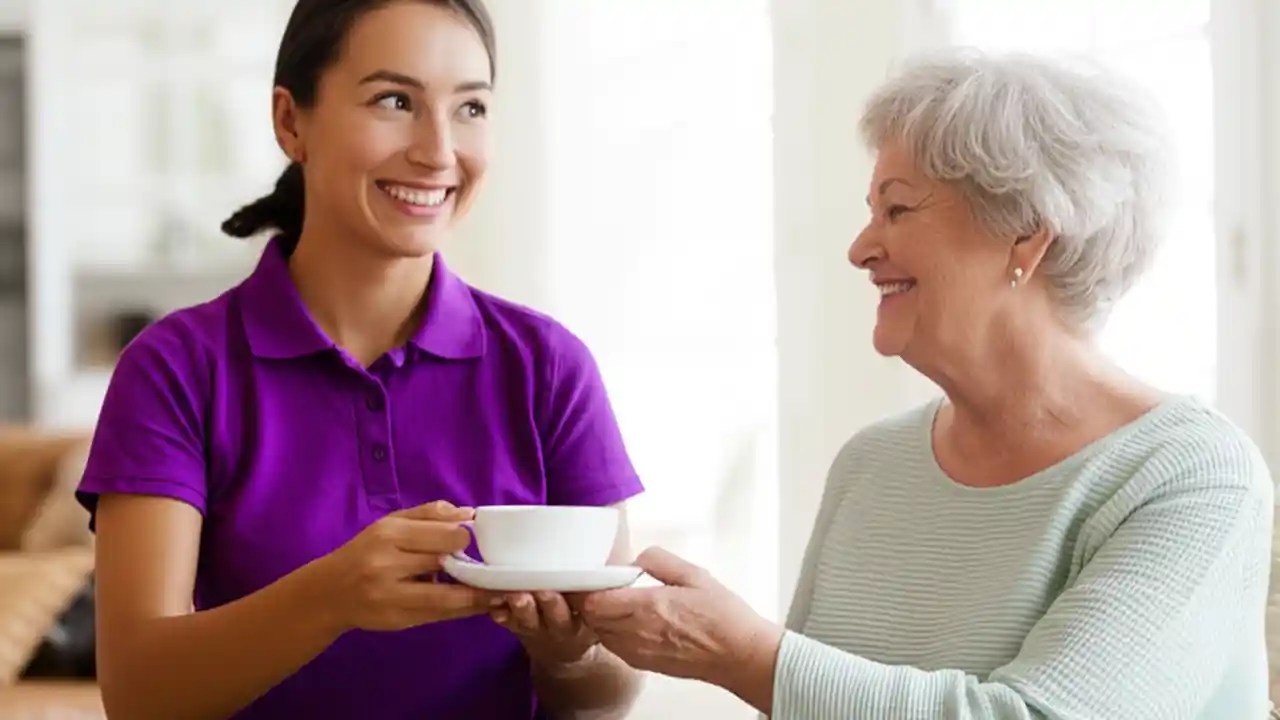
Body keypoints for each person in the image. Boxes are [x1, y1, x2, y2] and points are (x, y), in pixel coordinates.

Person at [572, 50, 1275, 719]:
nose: (860, 248)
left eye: (898, 209)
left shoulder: (1190, 475)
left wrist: (743, 653)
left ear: (1026, 236)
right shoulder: (871, 465)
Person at [77, 1, 644, 718]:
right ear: (291, 122)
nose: (439, 151)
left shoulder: (549, 367)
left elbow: (611, 690)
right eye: (395, 101)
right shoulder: (175, 370)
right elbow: (139, 695)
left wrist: (567, 654)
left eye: (471, 108)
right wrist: (333, 596)